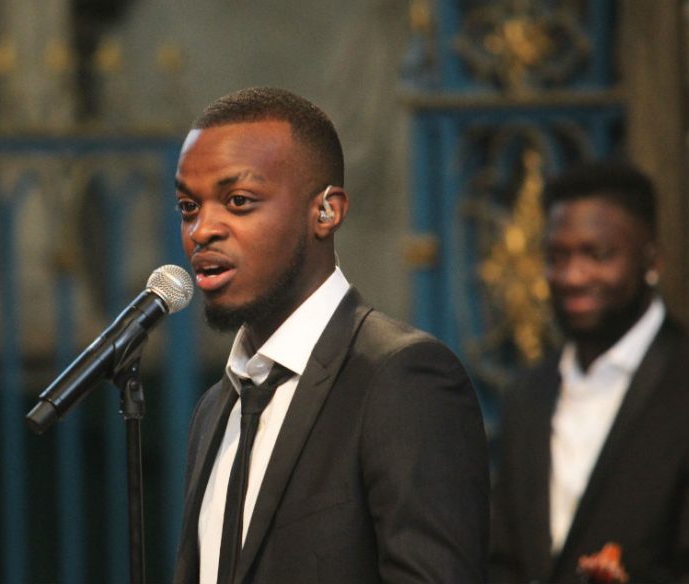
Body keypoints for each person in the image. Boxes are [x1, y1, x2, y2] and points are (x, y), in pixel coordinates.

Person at [171, 87, 489, 584]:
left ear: (326, 211)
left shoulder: (401, 378)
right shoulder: (216, 408)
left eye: (238, 201)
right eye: (189, 206)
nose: (202, 229)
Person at [488, 160, 689, 583]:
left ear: (651, 258)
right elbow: (503, 558)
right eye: (556, 257)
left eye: (597, 255)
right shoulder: (527, 396)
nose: (573, 276)